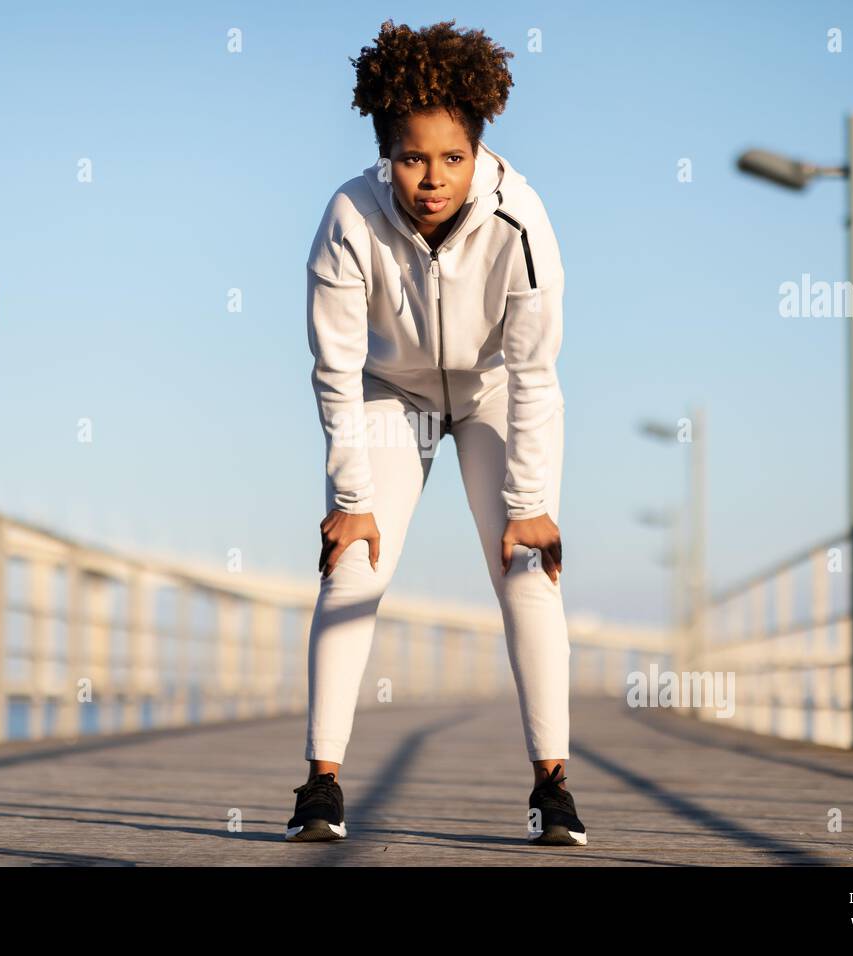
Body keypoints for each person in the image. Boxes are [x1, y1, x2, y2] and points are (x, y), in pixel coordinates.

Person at [286, 19, 586, 847]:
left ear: (479, 147)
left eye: (452, 158)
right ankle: (321, 785)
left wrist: (528, 504)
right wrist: (352, 499)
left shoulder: (521, 222)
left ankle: (552, 787)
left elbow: (534, 376)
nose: (432, 180)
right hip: (391, 390)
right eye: (413, 158)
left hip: (492, 391)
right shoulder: (349, 218)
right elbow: (336, 369)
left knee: (528, 566)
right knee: (352, 566)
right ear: (386, 150)